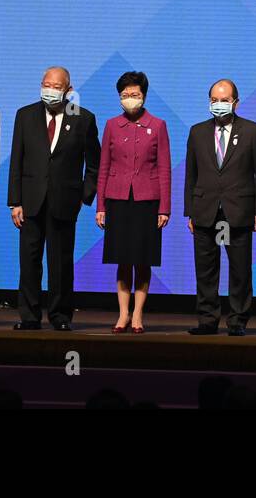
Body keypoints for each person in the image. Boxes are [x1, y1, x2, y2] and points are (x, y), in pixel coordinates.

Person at [6, 66, 100, 331]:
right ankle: (29, 317)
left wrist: (84, 197)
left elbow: (94, 164)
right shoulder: (25, 115)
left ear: (69, 90)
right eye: (46, 84)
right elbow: (17, 161)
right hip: (30, 202)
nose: (50, 90)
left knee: (60, 263)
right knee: (29, 261)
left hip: (64, 203)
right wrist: (15, 202)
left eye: (56, 86)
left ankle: (60, 317)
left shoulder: (83, 118)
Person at [183, 78, 256, 336]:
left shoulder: (253, 131)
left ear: (236, 102)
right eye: (214, 100)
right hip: (204, 209)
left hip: (239, 209)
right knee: (205, 270)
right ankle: (207, 320)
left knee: (240, 270)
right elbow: (191, 174)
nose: (219, 105)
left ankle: (237, 321)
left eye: (224, 100)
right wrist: (190, 211)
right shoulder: (197, 131)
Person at [95, 71, 171, 334]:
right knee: (122, 259)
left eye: (135, 95)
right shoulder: (112, 125)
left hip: (147, 200)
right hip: (117, 200)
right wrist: (101, 206)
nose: (130, 99)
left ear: (144, 96)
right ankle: (123, 314)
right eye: (125, 95)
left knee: (143, 259)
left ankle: (138, 314)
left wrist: (165, 208)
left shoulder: (158, 125)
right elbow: (104, 166)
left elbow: (164, 168)